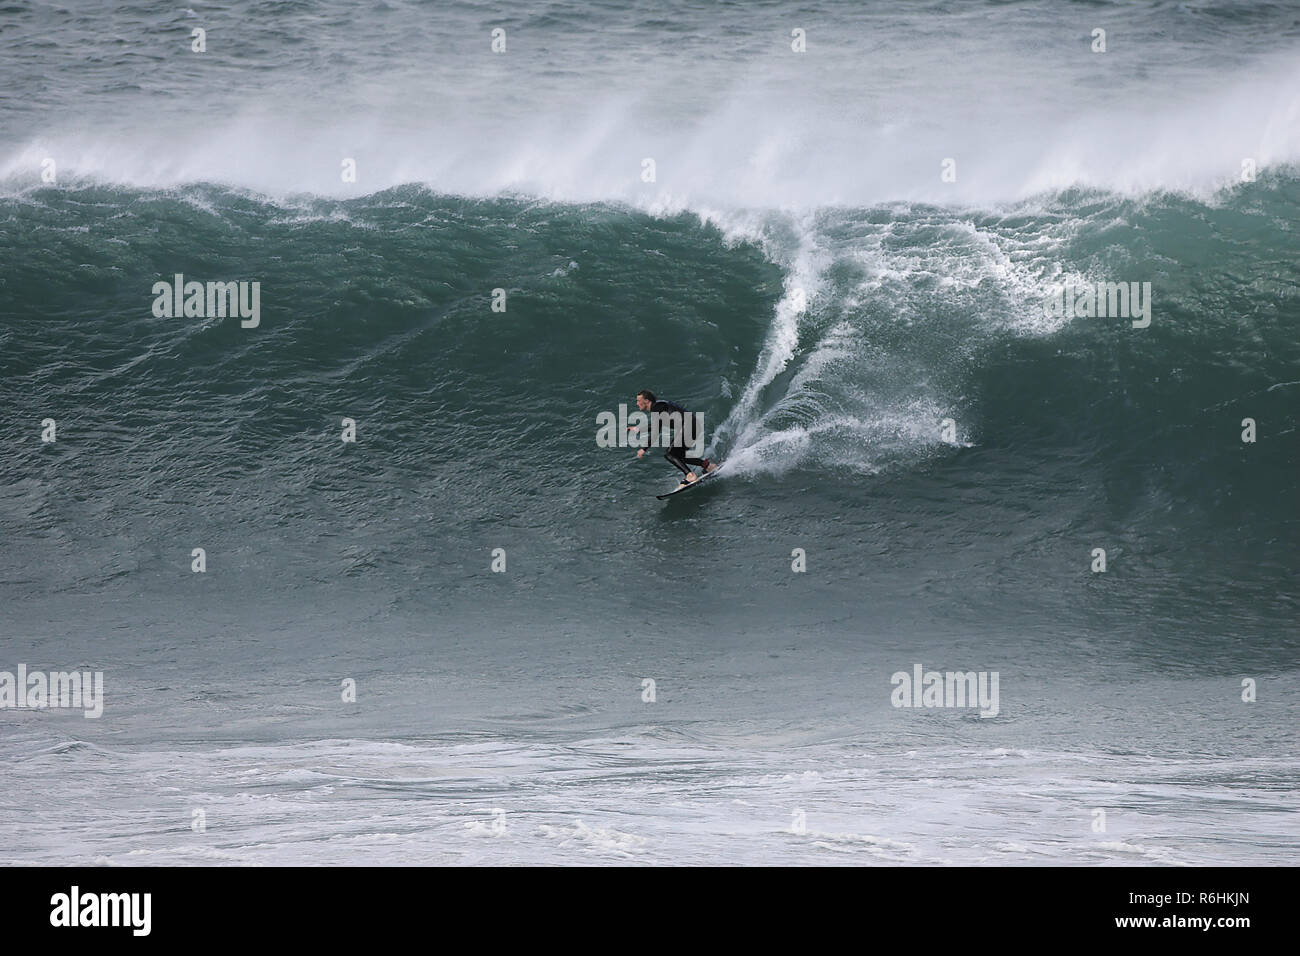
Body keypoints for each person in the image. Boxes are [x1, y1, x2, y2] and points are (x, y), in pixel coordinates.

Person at [628, 389, 716, 487]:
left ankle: (690, 475)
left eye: (639, 401)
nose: (637, 403)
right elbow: (656, 426)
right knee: (678, 455)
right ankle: (708, 466)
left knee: (670, 454)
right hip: (693, 425)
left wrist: (644, 449)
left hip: (688, 426)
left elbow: (656, 431)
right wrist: (638, 429)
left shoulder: (657, 407)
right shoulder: (659, 406)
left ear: (647, 401)